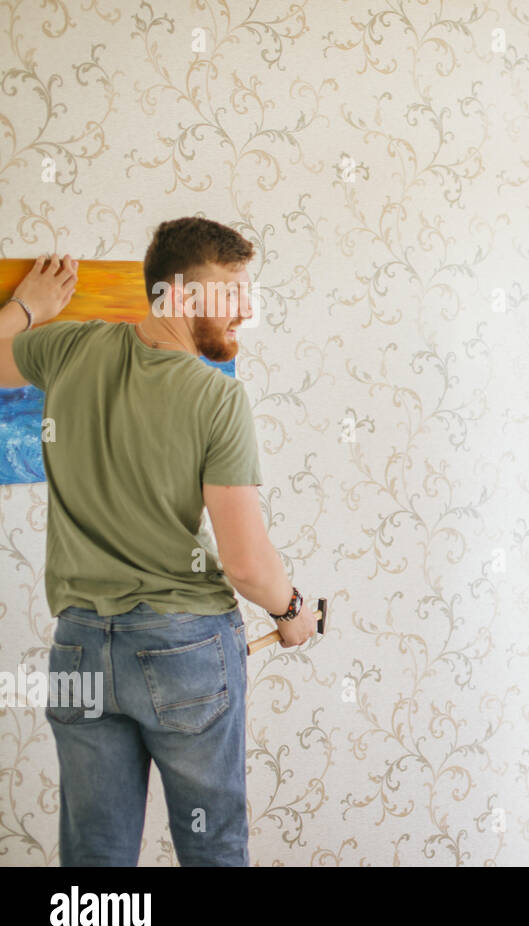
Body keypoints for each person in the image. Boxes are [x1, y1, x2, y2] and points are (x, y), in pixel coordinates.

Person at [0, 220, 318, 866]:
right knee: (212, 849)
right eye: (231, 293)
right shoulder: (217, 398)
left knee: (94, 856)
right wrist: (291, 613)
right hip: (184, 652)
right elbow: (247, 565)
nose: (246, 309)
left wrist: (26, 309)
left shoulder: (69, 348)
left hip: (81, 645)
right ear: (177, 296)